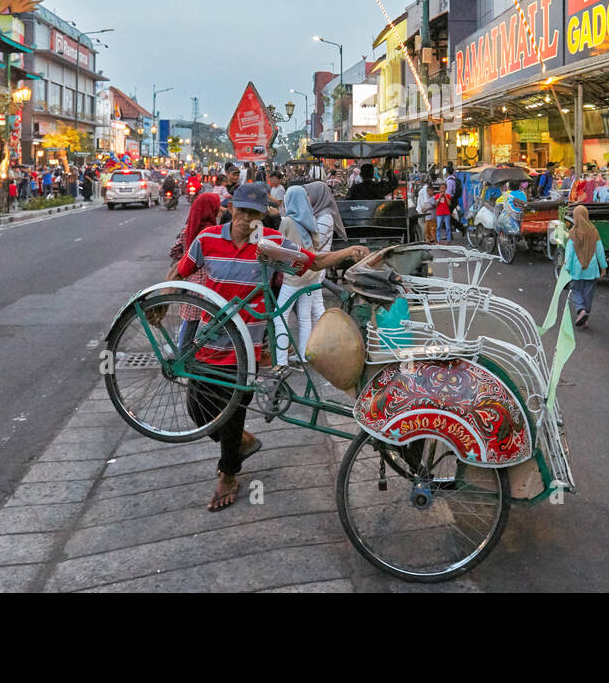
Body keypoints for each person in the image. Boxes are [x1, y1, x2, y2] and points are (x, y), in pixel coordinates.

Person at [166, 182, 368, 511]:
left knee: (232, 415)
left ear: (263, 216)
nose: (247, 220)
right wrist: (159, 297)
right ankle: (241, 444)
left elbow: (312, 262)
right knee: (198, 410)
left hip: (246, 347)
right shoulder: (207, 240)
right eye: (242, 211)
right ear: (231, 208)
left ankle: (228, 474)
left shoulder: (270, 244)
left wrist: (347, 252)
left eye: (254, 214)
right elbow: (182, 270)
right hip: (207, 342)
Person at [274, 185, 324, 366]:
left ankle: (281, 361)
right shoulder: (310, 218)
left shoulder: (287, 221)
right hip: (311, 273)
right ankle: (303, 356)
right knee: (304, 316)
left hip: (294, 275)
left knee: (279, 315)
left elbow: (278, 245)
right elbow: (317, 243)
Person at [565, 205, 607, 329]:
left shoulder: (573, 233)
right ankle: (585, 316)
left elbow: (569, 253)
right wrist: (603, 266)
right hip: (592, 269)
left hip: (576, 270)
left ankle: (581, 311)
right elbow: (600, 251)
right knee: (588, 294)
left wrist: (567, 267)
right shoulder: (594, 231)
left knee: (576, 291)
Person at [416, 176, 436, 242]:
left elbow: (425, 201)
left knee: (424, 225)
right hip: (423, 209)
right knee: (426, 225)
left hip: (424, 209)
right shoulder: (425, 189)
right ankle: (426, 238)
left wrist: (425, 209)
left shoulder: (425, 189)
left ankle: (426, 238)